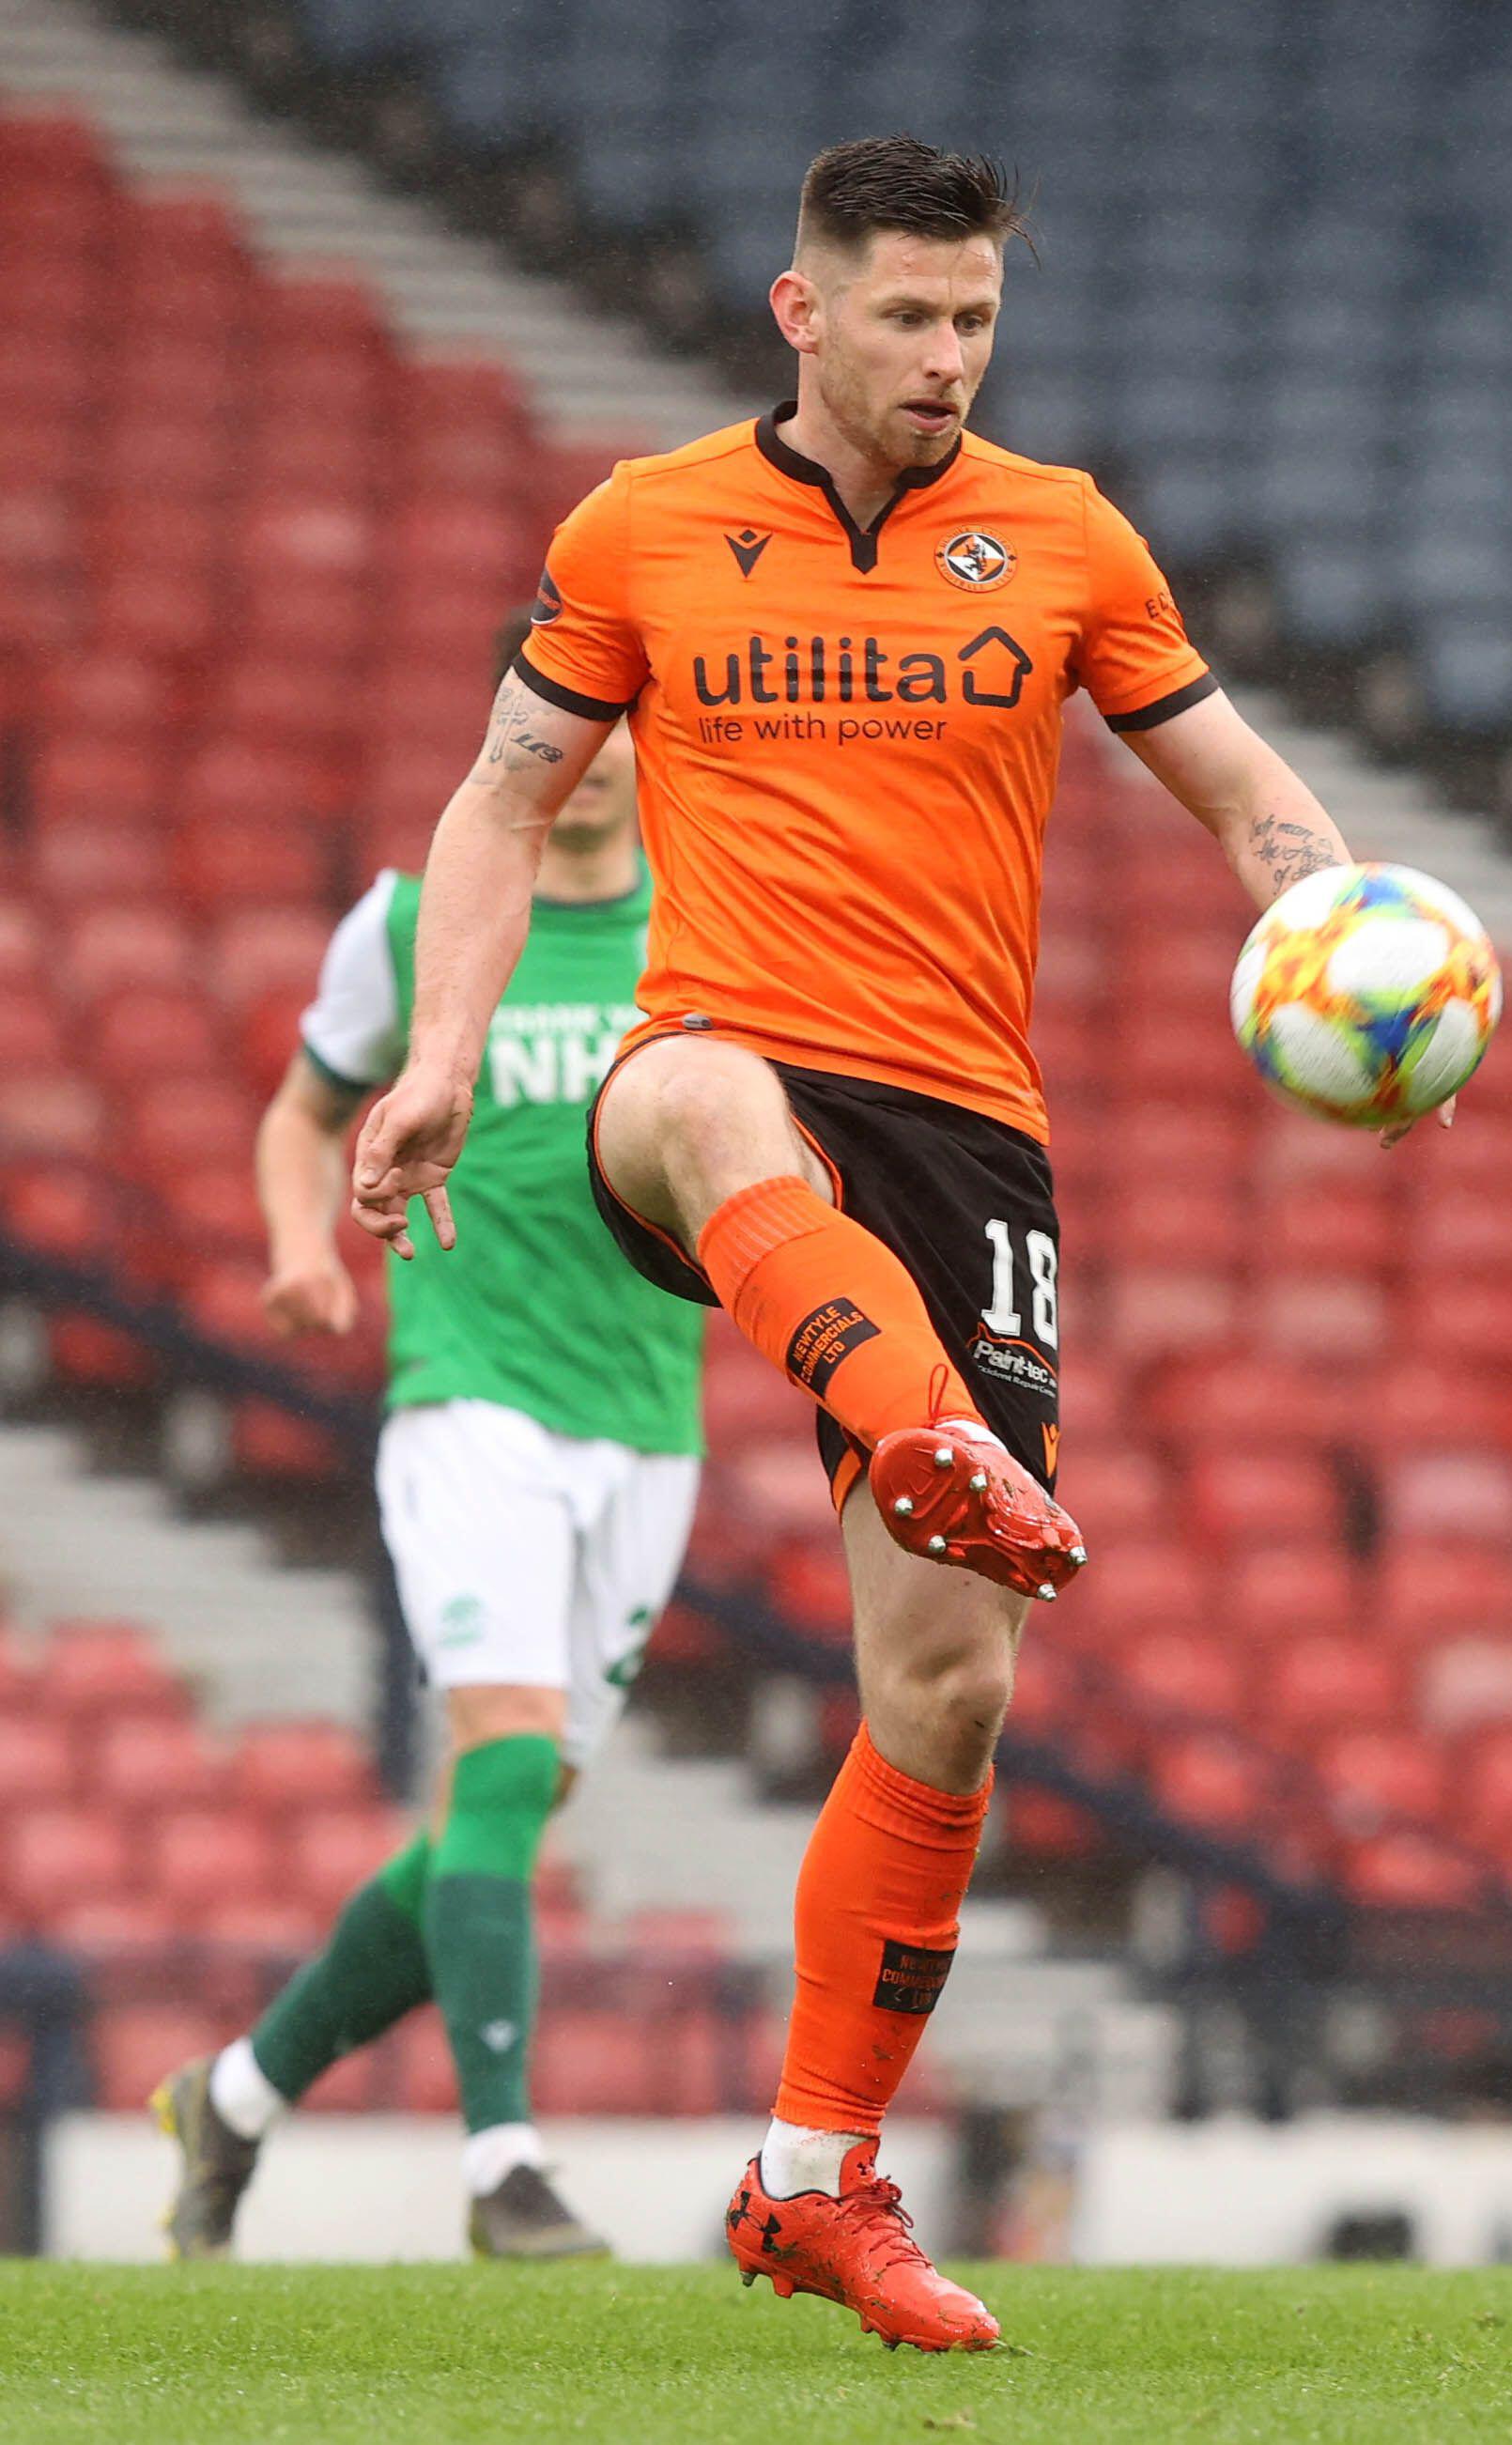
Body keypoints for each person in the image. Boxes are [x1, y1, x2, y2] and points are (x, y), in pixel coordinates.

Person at [351, 137, 1451, 2347]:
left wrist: (1335, 919)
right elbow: (498, 795)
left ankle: (808, 2182)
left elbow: (1238, 783)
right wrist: (443, 1046)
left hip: (966, 1136)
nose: (947, 357)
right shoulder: (640, 529)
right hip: (733, 1053)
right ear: (803, 310)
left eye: (974, 322)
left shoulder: (1062, 542)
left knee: (945, 1689)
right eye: (909, 317)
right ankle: (904, 1413)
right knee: (668, 1095)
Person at [154, 611, 705, 2262]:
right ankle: (503, 2170)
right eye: (564, 723)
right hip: (467, 1399)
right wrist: (300, 1243)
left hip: (648, 1427)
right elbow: (302, 1110)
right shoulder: (411, 923)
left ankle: (234, 2100)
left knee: (495, 1810)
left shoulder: (704, 933)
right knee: (512, 1763)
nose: (588, 754)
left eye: (618, 726)